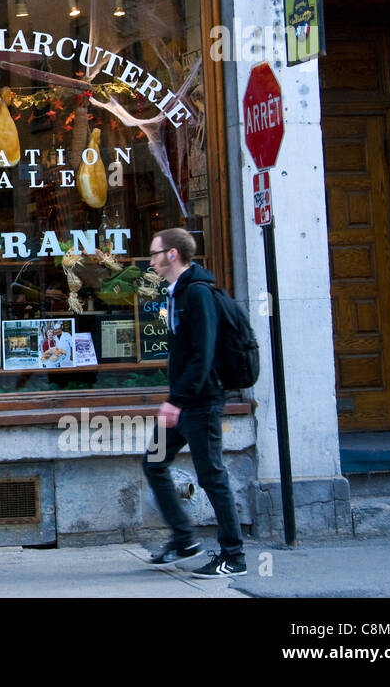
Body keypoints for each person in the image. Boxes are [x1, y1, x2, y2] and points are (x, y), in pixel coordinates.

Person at [143, 227, 246, 577]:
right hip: (185, 401)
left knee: (211, 476)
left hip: (201, 403)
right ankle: (185, 539)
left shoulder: (197, 294)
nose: (151, 260)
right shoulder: (177, 292)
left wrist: (177, 400)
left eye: (155, 253)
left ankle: (233, 556)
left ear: (173, 254)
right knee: (154, 462)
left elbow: (203, 355)